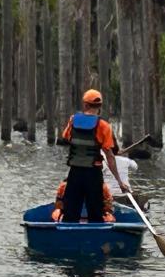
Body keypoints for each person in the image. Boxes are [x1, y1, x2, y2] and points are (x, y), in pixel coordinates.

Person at [60, 89, 129, 223]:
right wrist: (120, 182)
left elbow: (66, 137)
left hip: (75, 173)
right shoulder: (104, 126)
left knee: (70, 213)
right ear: (100, 107)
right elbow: (110, 156)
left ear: (85, 105)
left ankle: (68, 235)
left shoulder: (73, 120)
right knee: (96, 213)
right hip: (93, 175)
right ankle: (96, 237)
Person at [51, 178, 115, 223]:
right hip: (95, 219)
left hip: (71, 218)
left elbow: (58, 205)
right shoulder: (102, 186)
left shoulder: (64, 185)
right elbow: (108, 207)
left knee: (57, 212)